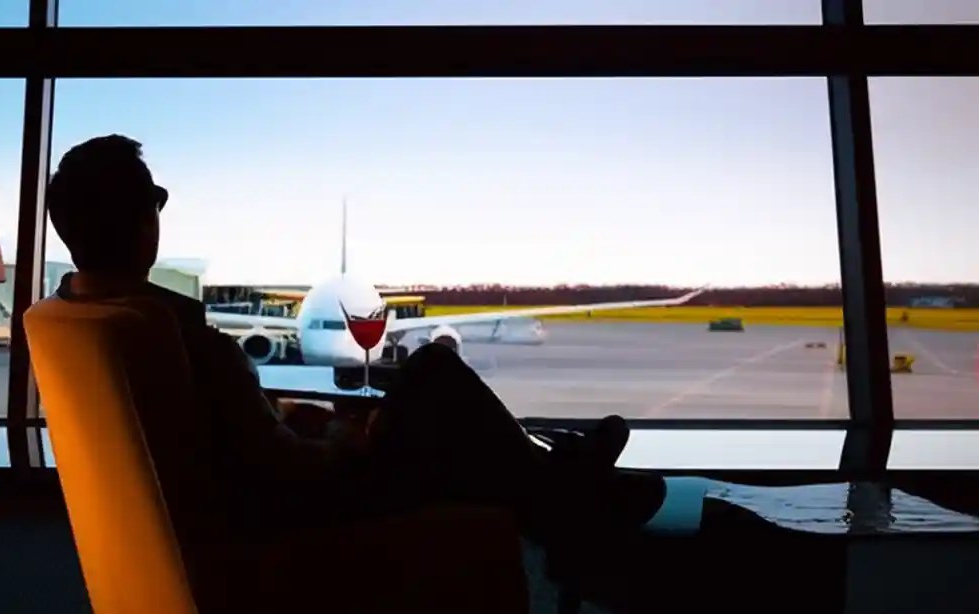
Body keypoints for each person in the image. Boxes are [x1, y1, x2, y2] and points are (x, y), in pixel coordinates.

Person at [44, 133, 770, 545]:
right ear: (143, 222)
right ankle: (571, 487)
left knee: (428, 392)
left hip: (240, 502)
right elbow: (283, 467)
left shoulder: (79, 323)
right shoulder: (184, 338)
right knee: (433, 373)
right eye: (154, 204)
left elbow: (230, 439)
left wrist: (302, 421)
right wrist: (344, 441)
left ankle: (567, 479)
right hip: (299, 512)